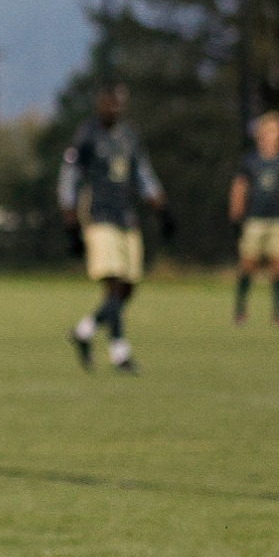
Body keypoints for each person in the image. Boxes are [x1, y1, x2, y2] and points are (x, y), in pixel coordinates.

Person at [61, 83, 166, 372]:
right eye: (108, 103)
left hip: (126, 216)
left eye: (118, 103)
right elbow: (69, 174)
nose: (113, 108)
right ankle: (119, 353)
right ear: (99, 105)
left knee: (128, 286)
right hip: (99, 215)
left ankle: (85, 331)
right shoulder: (87, 135)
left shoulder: (129, 136)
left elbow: (143, 173)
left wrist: (161, 207)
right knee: (114, 282)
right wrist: (69, 214)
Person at [230, 111, 279, 325]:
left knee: (278, 265)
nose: (271, 135)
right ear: (260, 134)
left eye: (275, 131)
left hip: (277, 220)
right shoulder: (250, 161)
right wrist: (236, 210)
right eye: (268, 131)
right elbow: (240, 187)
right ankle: (240, 310)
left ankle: (277, 312)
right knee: (247, 264)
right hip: (255, 220)